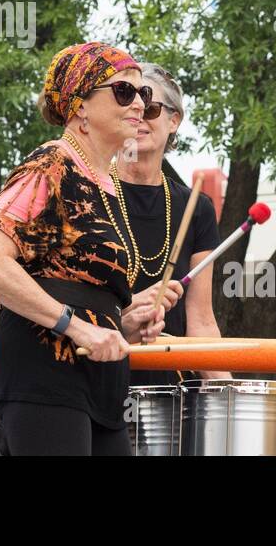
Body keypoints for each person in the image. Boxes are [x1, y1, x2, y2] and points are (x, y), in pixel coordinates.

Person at [0, 42, 181, 455]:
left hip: (99, 381)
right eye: (123, 91)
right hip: (45, 372)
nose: (139, 103)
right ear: (80, 105)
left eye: (143, 94)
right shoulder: (52, 165)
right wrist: (77, 326)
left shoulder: (106, 183)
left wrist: (120, 324)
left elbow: (80, 285)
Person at [114, 63, 226, 386]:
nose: (138, 116)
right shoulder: (89, 192)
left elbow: (201, 322)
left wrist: (232, 395)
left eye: (150, 108)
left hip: (168, 390)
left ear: (174, 120)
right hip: (98, 377)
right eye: (128, 105)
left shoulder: (197, 209)